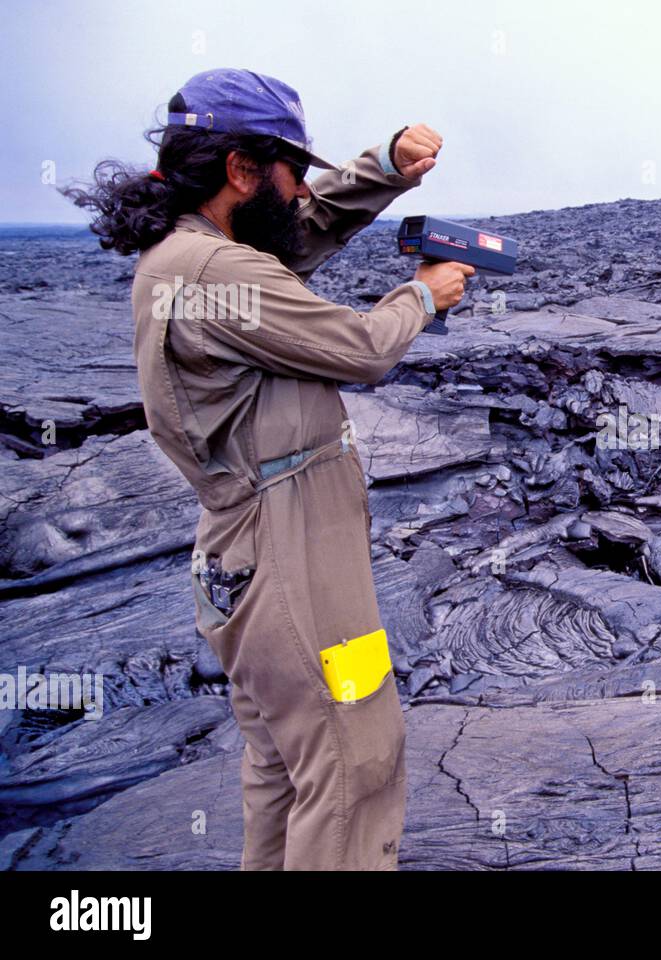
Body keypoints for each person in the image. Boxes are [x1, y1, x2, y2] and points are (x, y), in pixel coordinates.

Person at [62, 68, 473, 870]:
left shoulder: (190, 256)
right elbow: (358, 348)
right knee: (357, 756)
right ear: (241, 170)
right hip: (296, 558)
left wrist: (382, 167)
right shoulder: (216, 273)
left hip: (252, 555)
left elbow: (301, 229)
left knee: (286, 769)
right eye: (289, 170)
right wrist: (422, 297)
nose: (300, 190)